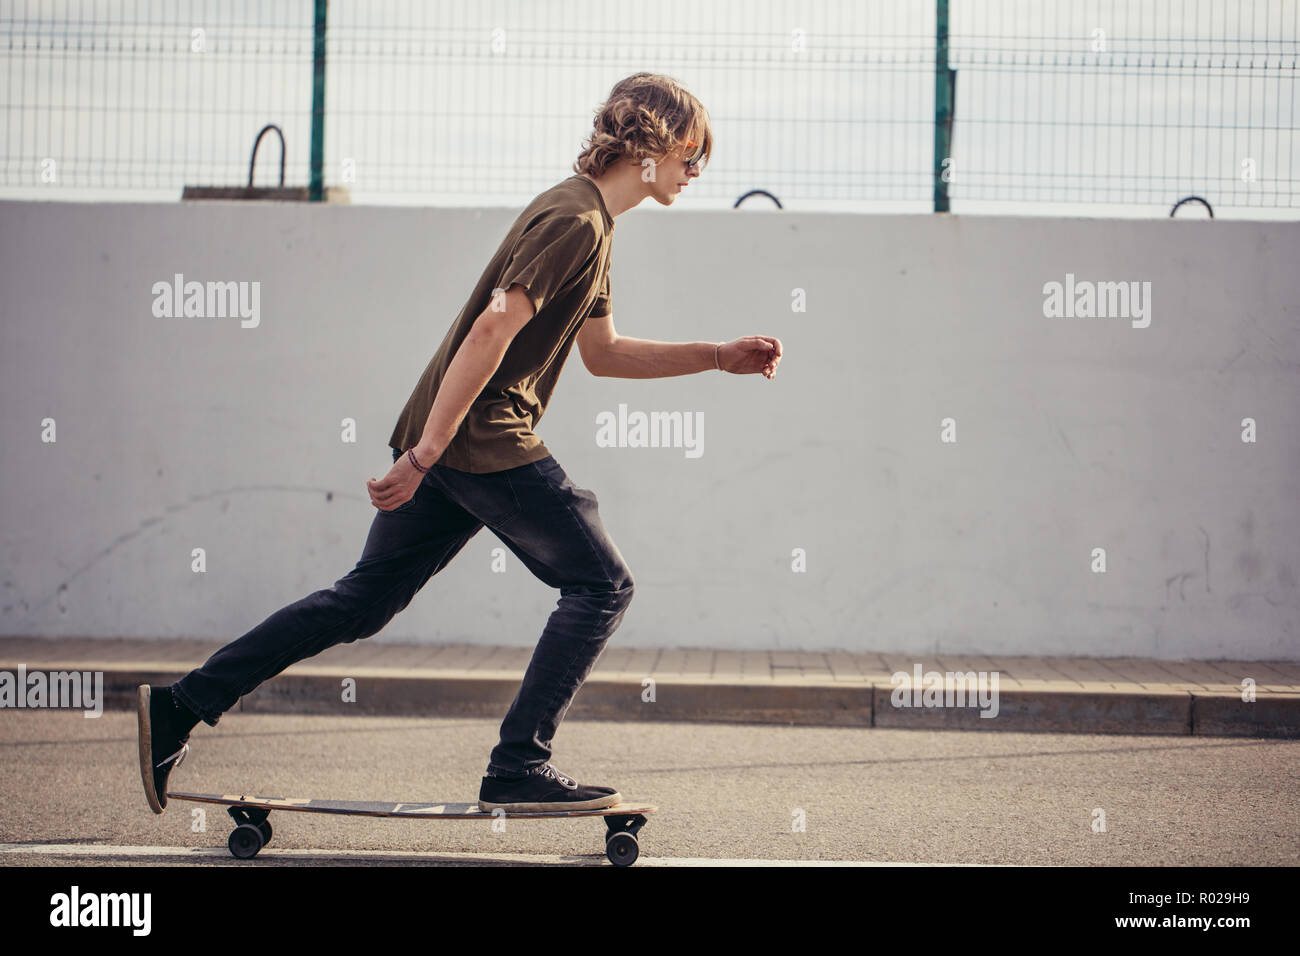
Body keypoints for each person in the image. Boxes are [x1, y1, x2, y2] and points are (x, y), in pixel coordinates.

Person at [137, 71, 782, 816]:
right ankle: (518, 763)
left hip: (452, 443)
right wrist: (426, 454)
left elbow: (603, 354)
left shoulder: (590, 224)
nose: (697, 172)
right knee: (603, 585)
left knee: (360, 603)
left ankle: (181, 707)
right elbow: (491, 329)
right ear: (654, 142)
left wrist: (715, 355)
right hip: (481, 437)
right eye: (693, 154)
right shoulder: (574, 221)